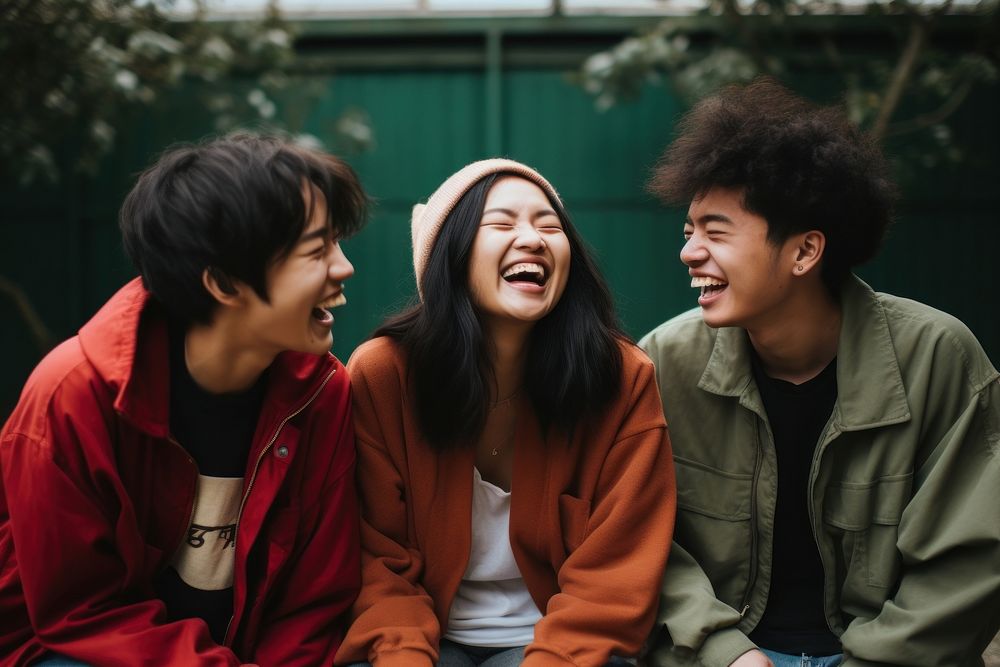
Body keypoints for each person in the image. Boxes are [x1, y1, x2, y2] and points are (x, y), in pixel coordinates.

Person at [639, 78, 1000, 667]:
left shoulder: (938, 357)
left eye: (716, 232)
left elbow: (973, 561)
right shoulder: (663, 362)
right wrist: (727, 654)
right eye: (688, 232)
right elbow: (634, 537)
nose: (688, 252)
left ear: (804, 252)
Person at [0, 134, 368, 666]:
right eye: (317, 250)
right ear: (222, 282)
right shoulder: (72, 395)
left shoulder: (321, 392)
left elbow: (314, 601)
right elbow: (79, 614)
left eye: (337, 242)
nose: (344, 266)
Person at [335, 159, 676, 667]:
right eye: (501, 223)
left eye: (549, 225)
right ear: (448, 255)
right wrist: (403, 657)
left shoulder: (622, 378)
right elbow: (375, 558)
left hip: (560, 644)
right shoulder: (384, 374)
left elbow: (617, 572)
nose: (532, 239)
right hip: (421, 641)